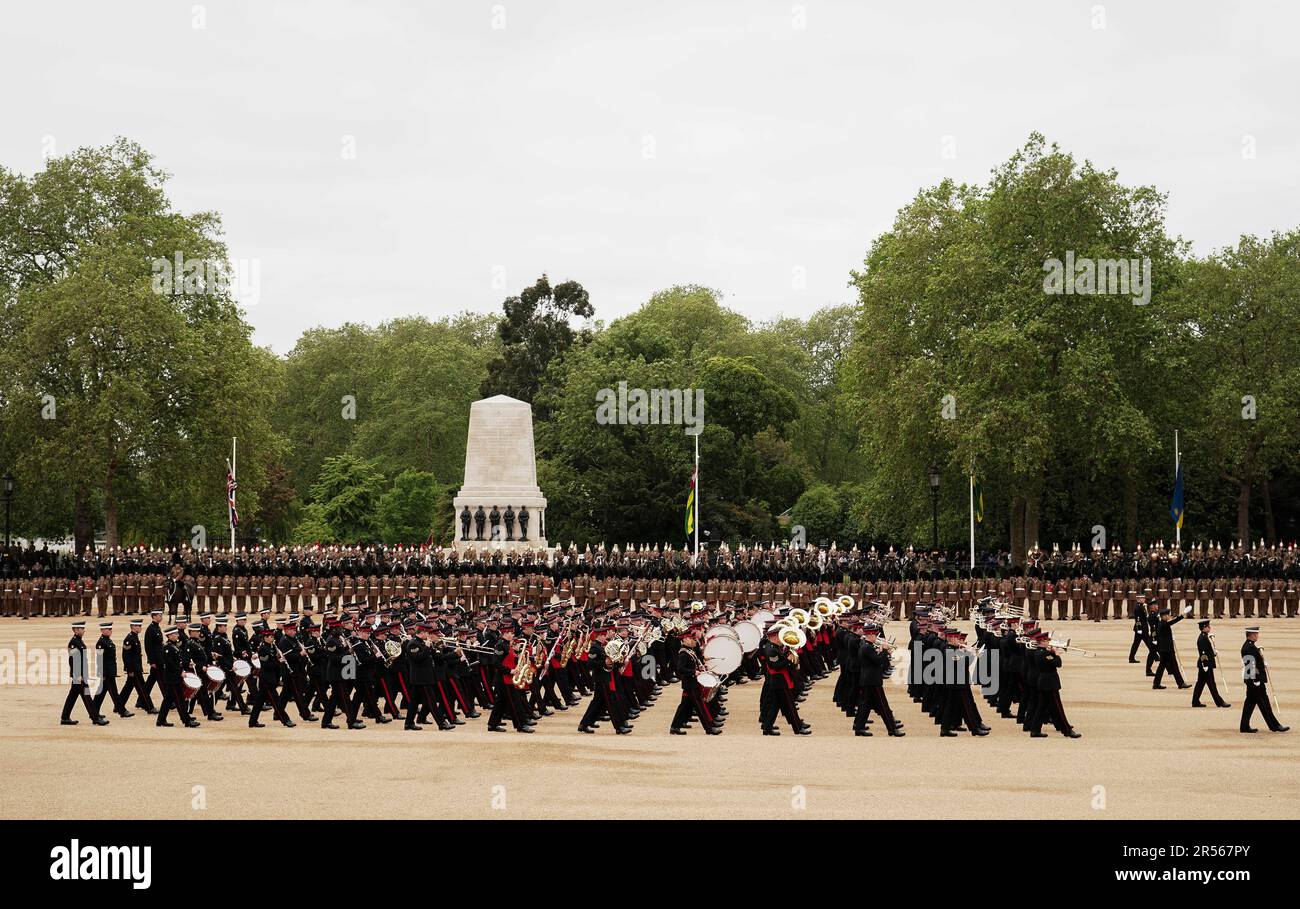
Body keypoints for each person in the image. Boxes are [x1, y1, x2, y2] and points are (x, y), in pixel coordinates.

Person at [1240, 627, 1289, 734]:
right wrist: (1255, 680)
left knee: (1250, 703)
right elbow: (1250, 666)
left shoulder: (1251, 646)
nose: (1257, 636)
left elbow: (1254, 662)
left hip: (1253, 680)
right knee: (1264, 703)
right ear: (1251, 635)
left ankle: (1244, 726)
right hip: (1255, 681)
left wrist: (1262, 662)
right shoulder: (1248, 647)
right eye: (1256, 634)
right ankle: (1274, 726)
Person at [60, 621, 108, 726]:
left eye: (83, 628)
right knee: (87, 696)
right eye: (81, 628)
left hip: (81, 674)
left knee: (72, 696)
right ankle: (95, 718)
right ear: (75, 630)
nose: (83, 630)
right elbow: (73, 660)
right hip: (79, 676)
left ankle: (65, 717)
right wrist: (78, 675)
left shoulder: (79, 641)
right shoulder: (73, 643)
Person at [91, 622, 133, 719]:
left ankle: (94, 711)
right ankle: (122, 711)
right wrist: (102, 673)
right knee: (114, 692)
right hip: (107, 672)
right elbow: (99, 659)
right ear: (102, 630)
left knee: (100, 693)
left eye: (110, 629)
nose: (110, 631)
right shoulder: (101, 643)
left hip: (110, 670)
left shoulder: (108, 641)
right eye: (107, 629)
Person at [1191, 620, 1231, 709]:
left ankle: (1195, 701)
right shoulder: (1202, 638)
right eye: (1208, 626)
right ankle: (1220, 702)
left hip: (1205, 664)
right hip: (1205, 665)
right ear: (1204, 628)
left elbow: (1207, 650)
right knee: (1211, 684)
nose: (1210, 628)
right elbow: (1203, 653)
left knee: (1200, 684)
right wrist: (1205, 664)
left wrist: (1213, 653)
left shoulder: (1204, 636)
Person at [1151, 606, 1192, 690]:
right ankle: (1180, 683)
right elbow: (1172, 622)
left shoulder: (1162, 623)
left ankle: (1156, 683)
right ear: (1163, 616)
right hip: (1167, 650)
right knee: (1174, 666)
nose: (1168, 616)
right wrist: (1182, 615)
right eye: (1167, 615)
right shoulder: (1163, 623)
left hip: (1164, 649)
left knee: (1161, 667)